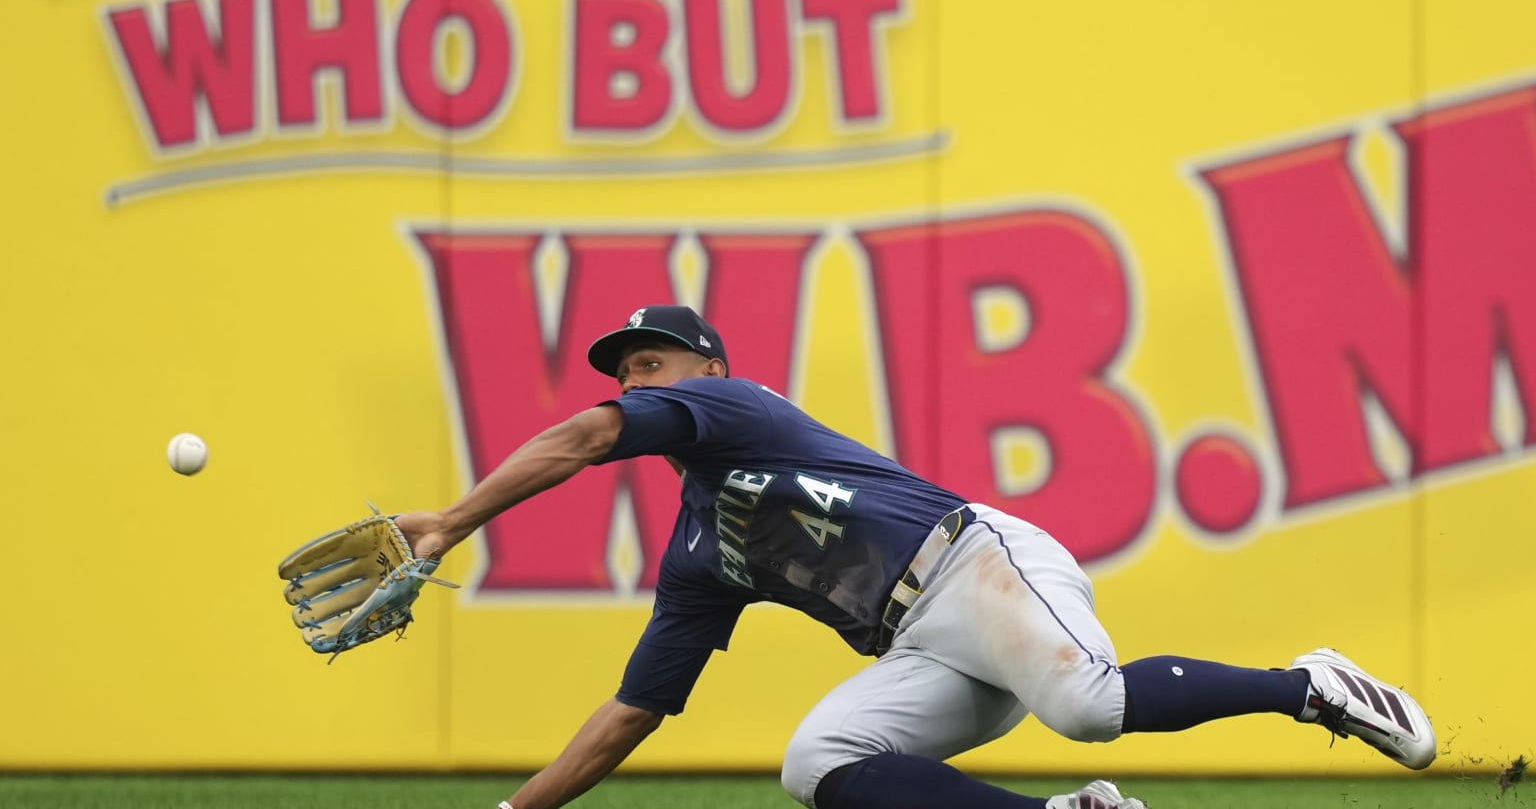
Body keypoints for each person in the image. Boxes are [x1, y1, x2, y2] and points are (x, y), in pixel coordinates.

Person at [395, 305, 1436, 809]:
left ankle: (1308, 686)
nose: (637, 380)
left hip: (977, 564)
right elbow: (633, 715)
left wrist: (449, 520)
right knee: (816, 767)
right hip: (924, 649)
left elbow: (583, 438)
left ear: (705, 367)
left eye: (650, 362)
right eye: (627, 369)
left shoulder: (730, 406)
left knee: (1087, 708)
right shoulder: (698, 552)